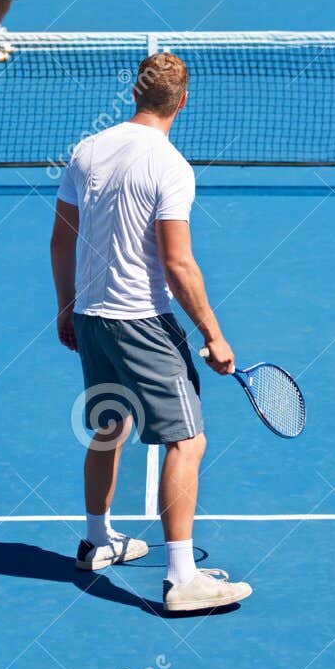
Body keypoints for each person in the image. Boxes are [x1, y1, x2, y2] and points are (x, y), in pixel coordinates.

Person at [49, 52, 253, 614]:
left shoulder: (87, 151)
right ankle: (182, 578)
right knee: (187, 441)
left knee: (109, 426)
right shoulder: (170, 165)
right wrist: (213, 334)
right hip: (142, 321)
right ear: (182, 102)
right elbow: (177, 262)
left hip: (92, 316)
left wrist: (67, 308)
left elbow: (61, 241)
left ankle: (97, 540)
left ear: (135, 95)